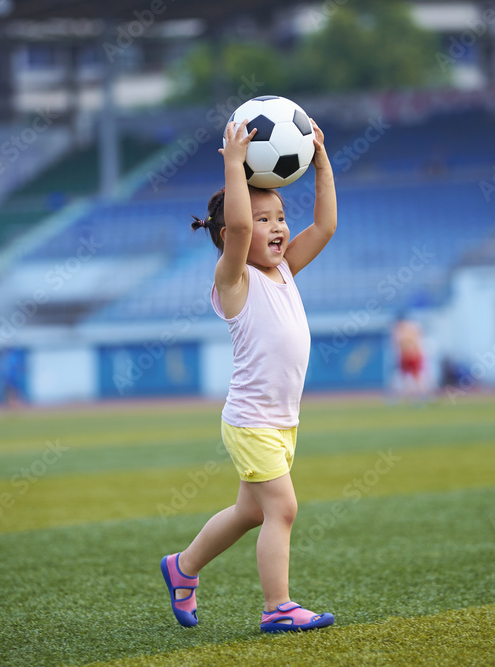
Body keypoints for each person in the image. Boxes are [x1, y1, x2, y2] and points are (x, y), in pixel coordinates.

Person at [161, 118, 336, 634]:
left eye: (280, 216)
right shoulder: (232, 280)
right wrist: (232, 164)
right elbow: (236, 229)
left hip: (282, 422)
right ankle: (277, 606)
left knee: (251, 512)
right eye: (264, 220)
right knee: (282, 508)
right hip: (252, 421)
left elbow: (324, 226)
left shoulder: (282, 270)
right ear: (228, 236)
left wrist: (320, 161)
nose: (278, 227)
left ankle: (183, 567)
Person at [391, 311, 429, 402]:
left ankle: (419, 395)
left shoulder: (403, 329)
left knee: (414, 377)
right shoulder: (408, 328)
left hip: (411, 355)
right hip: (409, 355)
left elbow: (401, 342)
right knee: (407, 377)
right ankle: (417, 395)